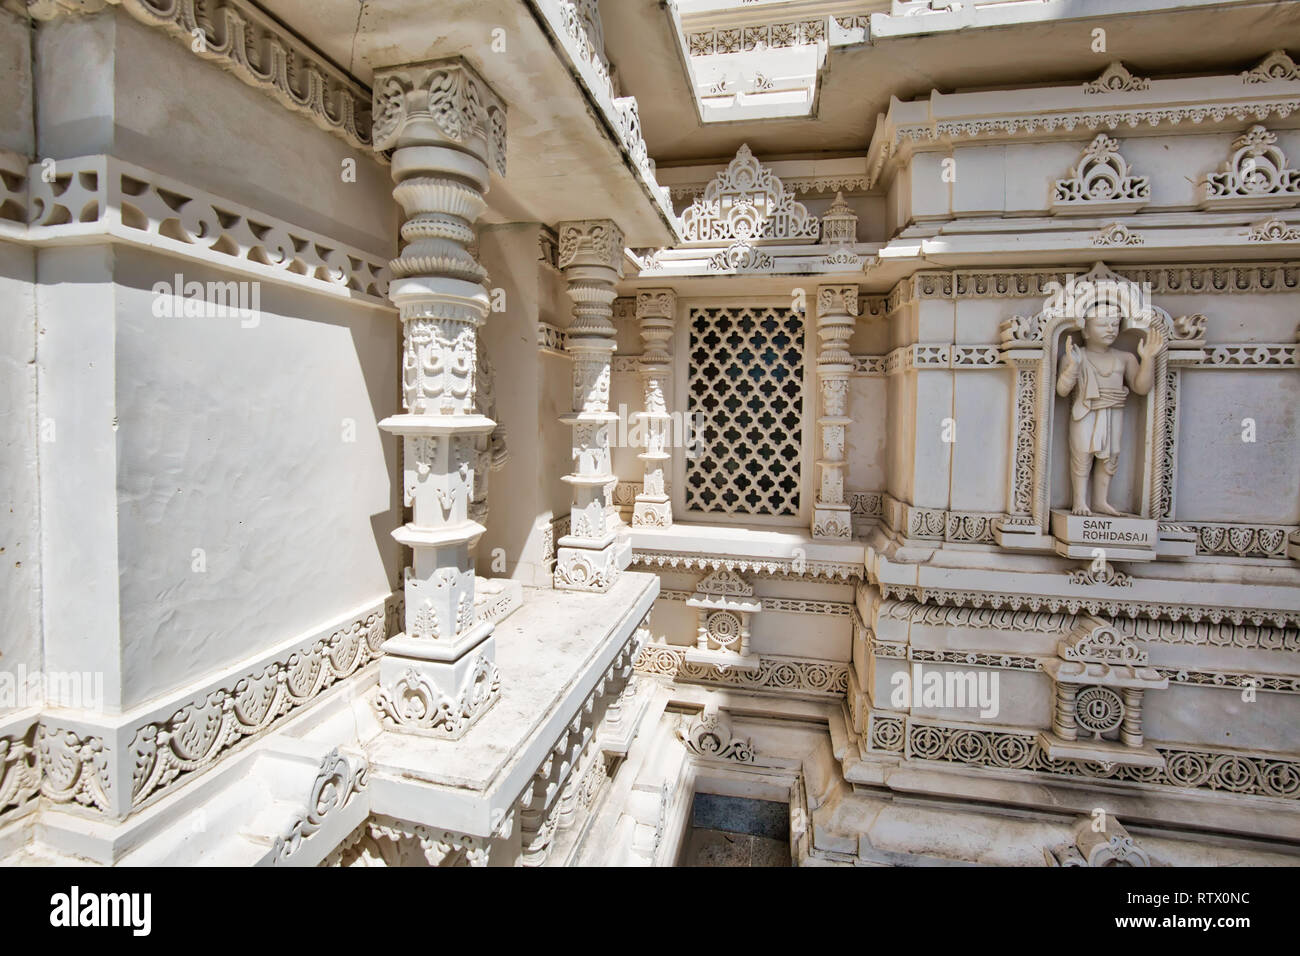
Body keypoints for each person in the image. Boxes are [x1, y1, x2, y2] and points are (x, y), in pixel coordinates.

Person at [1055, 306, 1165, 516]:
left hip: (1114, 410)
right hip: (1085, 410)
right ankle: (1079, 501)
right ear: (1086, 330)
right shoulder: (1076, 356)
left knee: (1111, 455)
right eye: (1103, 324)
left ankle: (1100, 501)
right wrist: (1073, 368)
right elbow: (1062, 390)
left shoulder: (1125, 358)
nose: (1110, 329)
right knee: (1082, 454)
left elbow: (1141, 387)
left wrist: (1148, 359)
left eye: (1114, 324)